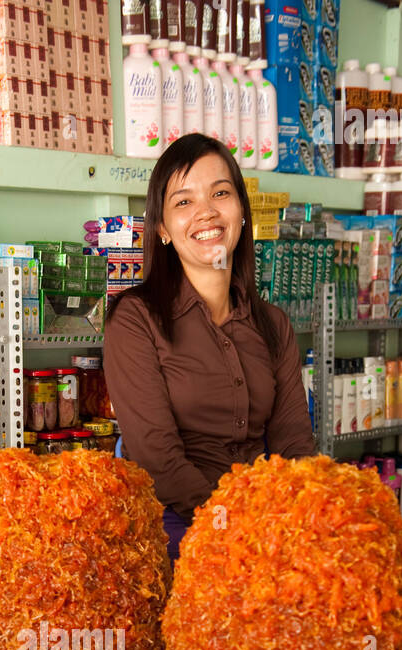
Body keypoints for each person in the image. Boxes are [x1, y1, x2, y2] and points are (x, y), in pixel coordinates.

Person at [103, 133, 315, 559]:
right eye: (183, 202)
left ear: (241, 212)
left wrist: (303, 519)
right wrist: (234, 528)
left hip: (263, 529)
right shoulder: (135, 318)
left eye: (221, 193)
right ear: (162, 228)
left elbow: (295, 448)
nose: (206, 212)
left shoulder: (274, 325)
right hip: (176, 536)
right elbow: (156, 459)